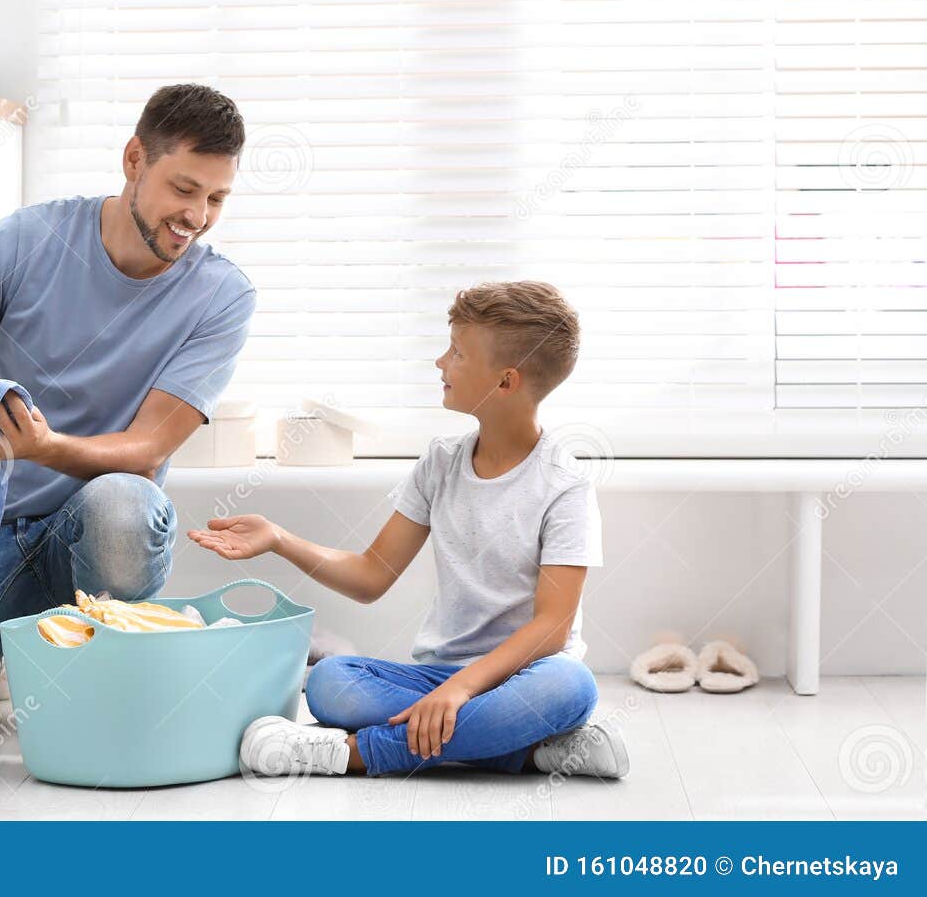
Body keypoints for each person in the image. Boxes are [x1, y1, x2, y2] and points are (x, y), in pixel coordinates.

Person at [0, 83, 257, 743]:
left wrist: (47, 448)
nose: (196, 216)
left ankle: (95, 664)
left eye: (216, 198)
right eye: (184, 188)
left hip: (99, 530)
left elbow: (147, 448)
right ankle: (20, 641)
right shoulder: (29, 241)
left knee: (123, 505)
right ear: (134, 159)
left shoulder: (221, 296)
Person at [189, 281, 629, 781]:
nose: (441, 363)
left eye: (457, 352)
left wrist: (462, 690)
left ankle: (350, 754)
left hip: (525, 675)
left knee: (571, 688)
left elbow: (551, 628)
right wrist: (278, 539)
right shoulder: (440, 462)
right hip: (435, 677)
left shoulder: (564, 484)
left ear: (506, 382)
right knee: (331, 682)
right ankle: (531, 751)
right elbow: (370, 576)